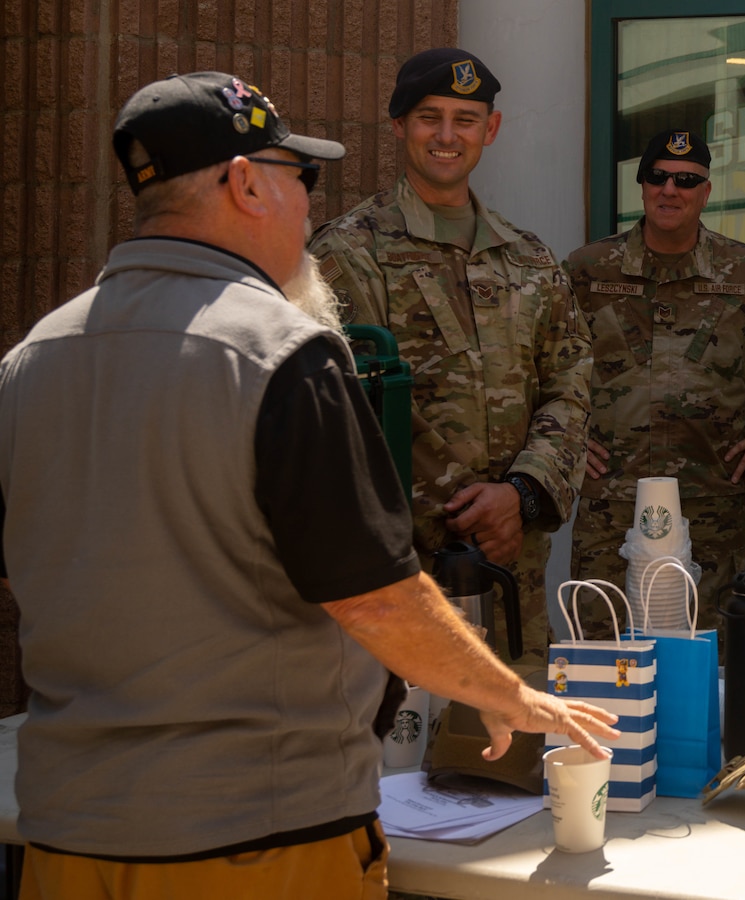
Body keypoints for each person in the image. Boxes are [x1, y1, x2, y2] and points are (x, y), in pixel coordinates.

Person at [0, 71, 617, 900]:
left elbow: (27, 566)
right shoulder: (280, 350)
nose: (306, 205)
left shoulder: (31, 359)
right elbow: (373, 599)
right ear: (246, 183)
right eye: (300, 177)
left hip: (68, 835)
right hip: (255, 839)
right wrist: (511, 696)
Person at [309, 49, 591, 665]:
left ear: (491, 129)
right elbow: (347, 409)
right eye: (428, 117)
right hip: (403, 576)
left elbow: (570, 384)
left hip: (514, 580)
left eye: (465, 119)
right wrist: (469, 515)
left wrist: (522, 493)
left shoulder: (529, 258)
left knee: (514, 723)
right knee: (405, 724)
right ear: (398, 126)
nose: (446, 135)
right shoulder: (349, 252)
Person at [562, 129, 745, 638]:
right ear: (642, 185)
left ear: (706, 191)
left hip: (710, 502)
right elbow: (539, 363)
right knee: (603, 652)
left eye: (686, 180)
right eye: (658, 177)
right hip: (612, 501)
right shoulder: (587, 270)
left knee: (703, 653)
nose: (670, 189)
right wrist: (565, 439)